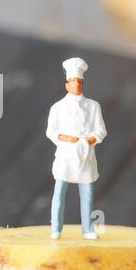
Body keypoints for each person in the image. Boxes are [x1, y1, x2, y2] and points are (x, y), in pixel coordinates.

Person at [46, 57, 107, 239]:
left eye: (79, 82)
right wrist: (66, 139)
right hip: (65, 155)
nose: (76, 85)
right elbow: (51, 131)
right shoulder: (57, 108)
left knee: (87, 194)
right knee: (59, 193)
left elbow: (101, 130)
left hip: (86, 155)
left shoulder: (93, 106)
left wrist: (87, 140)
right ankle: (56, 228)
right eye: (73, 82)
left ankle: (87, 229)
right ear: (67, 85)